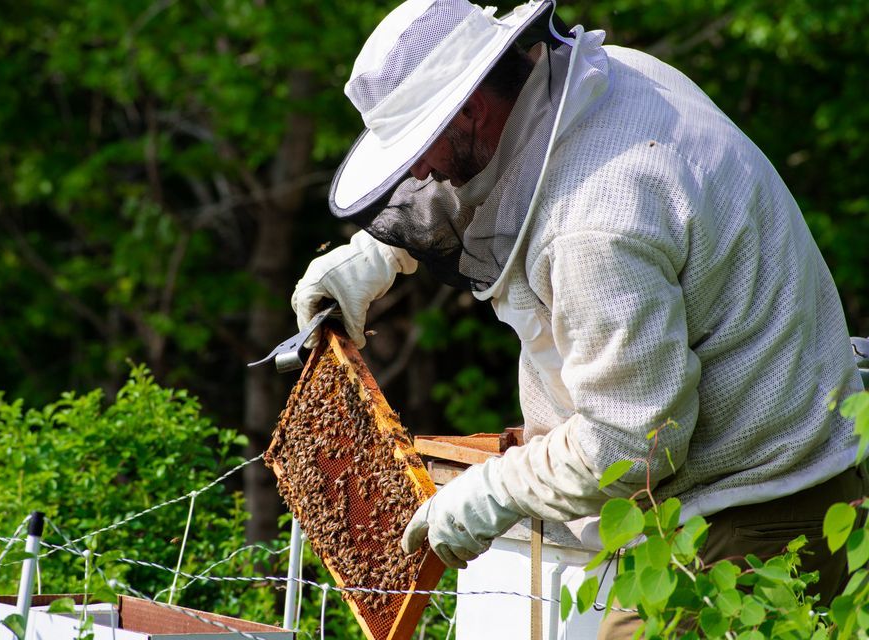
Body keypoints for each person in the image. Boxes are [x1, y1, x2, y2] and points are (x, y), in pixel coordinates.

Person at [290, 0, 867, 635]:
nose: (419, 173)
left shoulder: (596, 223)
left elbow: (634, 443)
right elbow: (494, 180)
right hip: (740, 470)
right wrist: (374, 255)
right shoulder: (607, 81)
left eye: (420, 148)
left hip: (751, 502)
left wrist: (491, 492)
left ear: (470, 108)